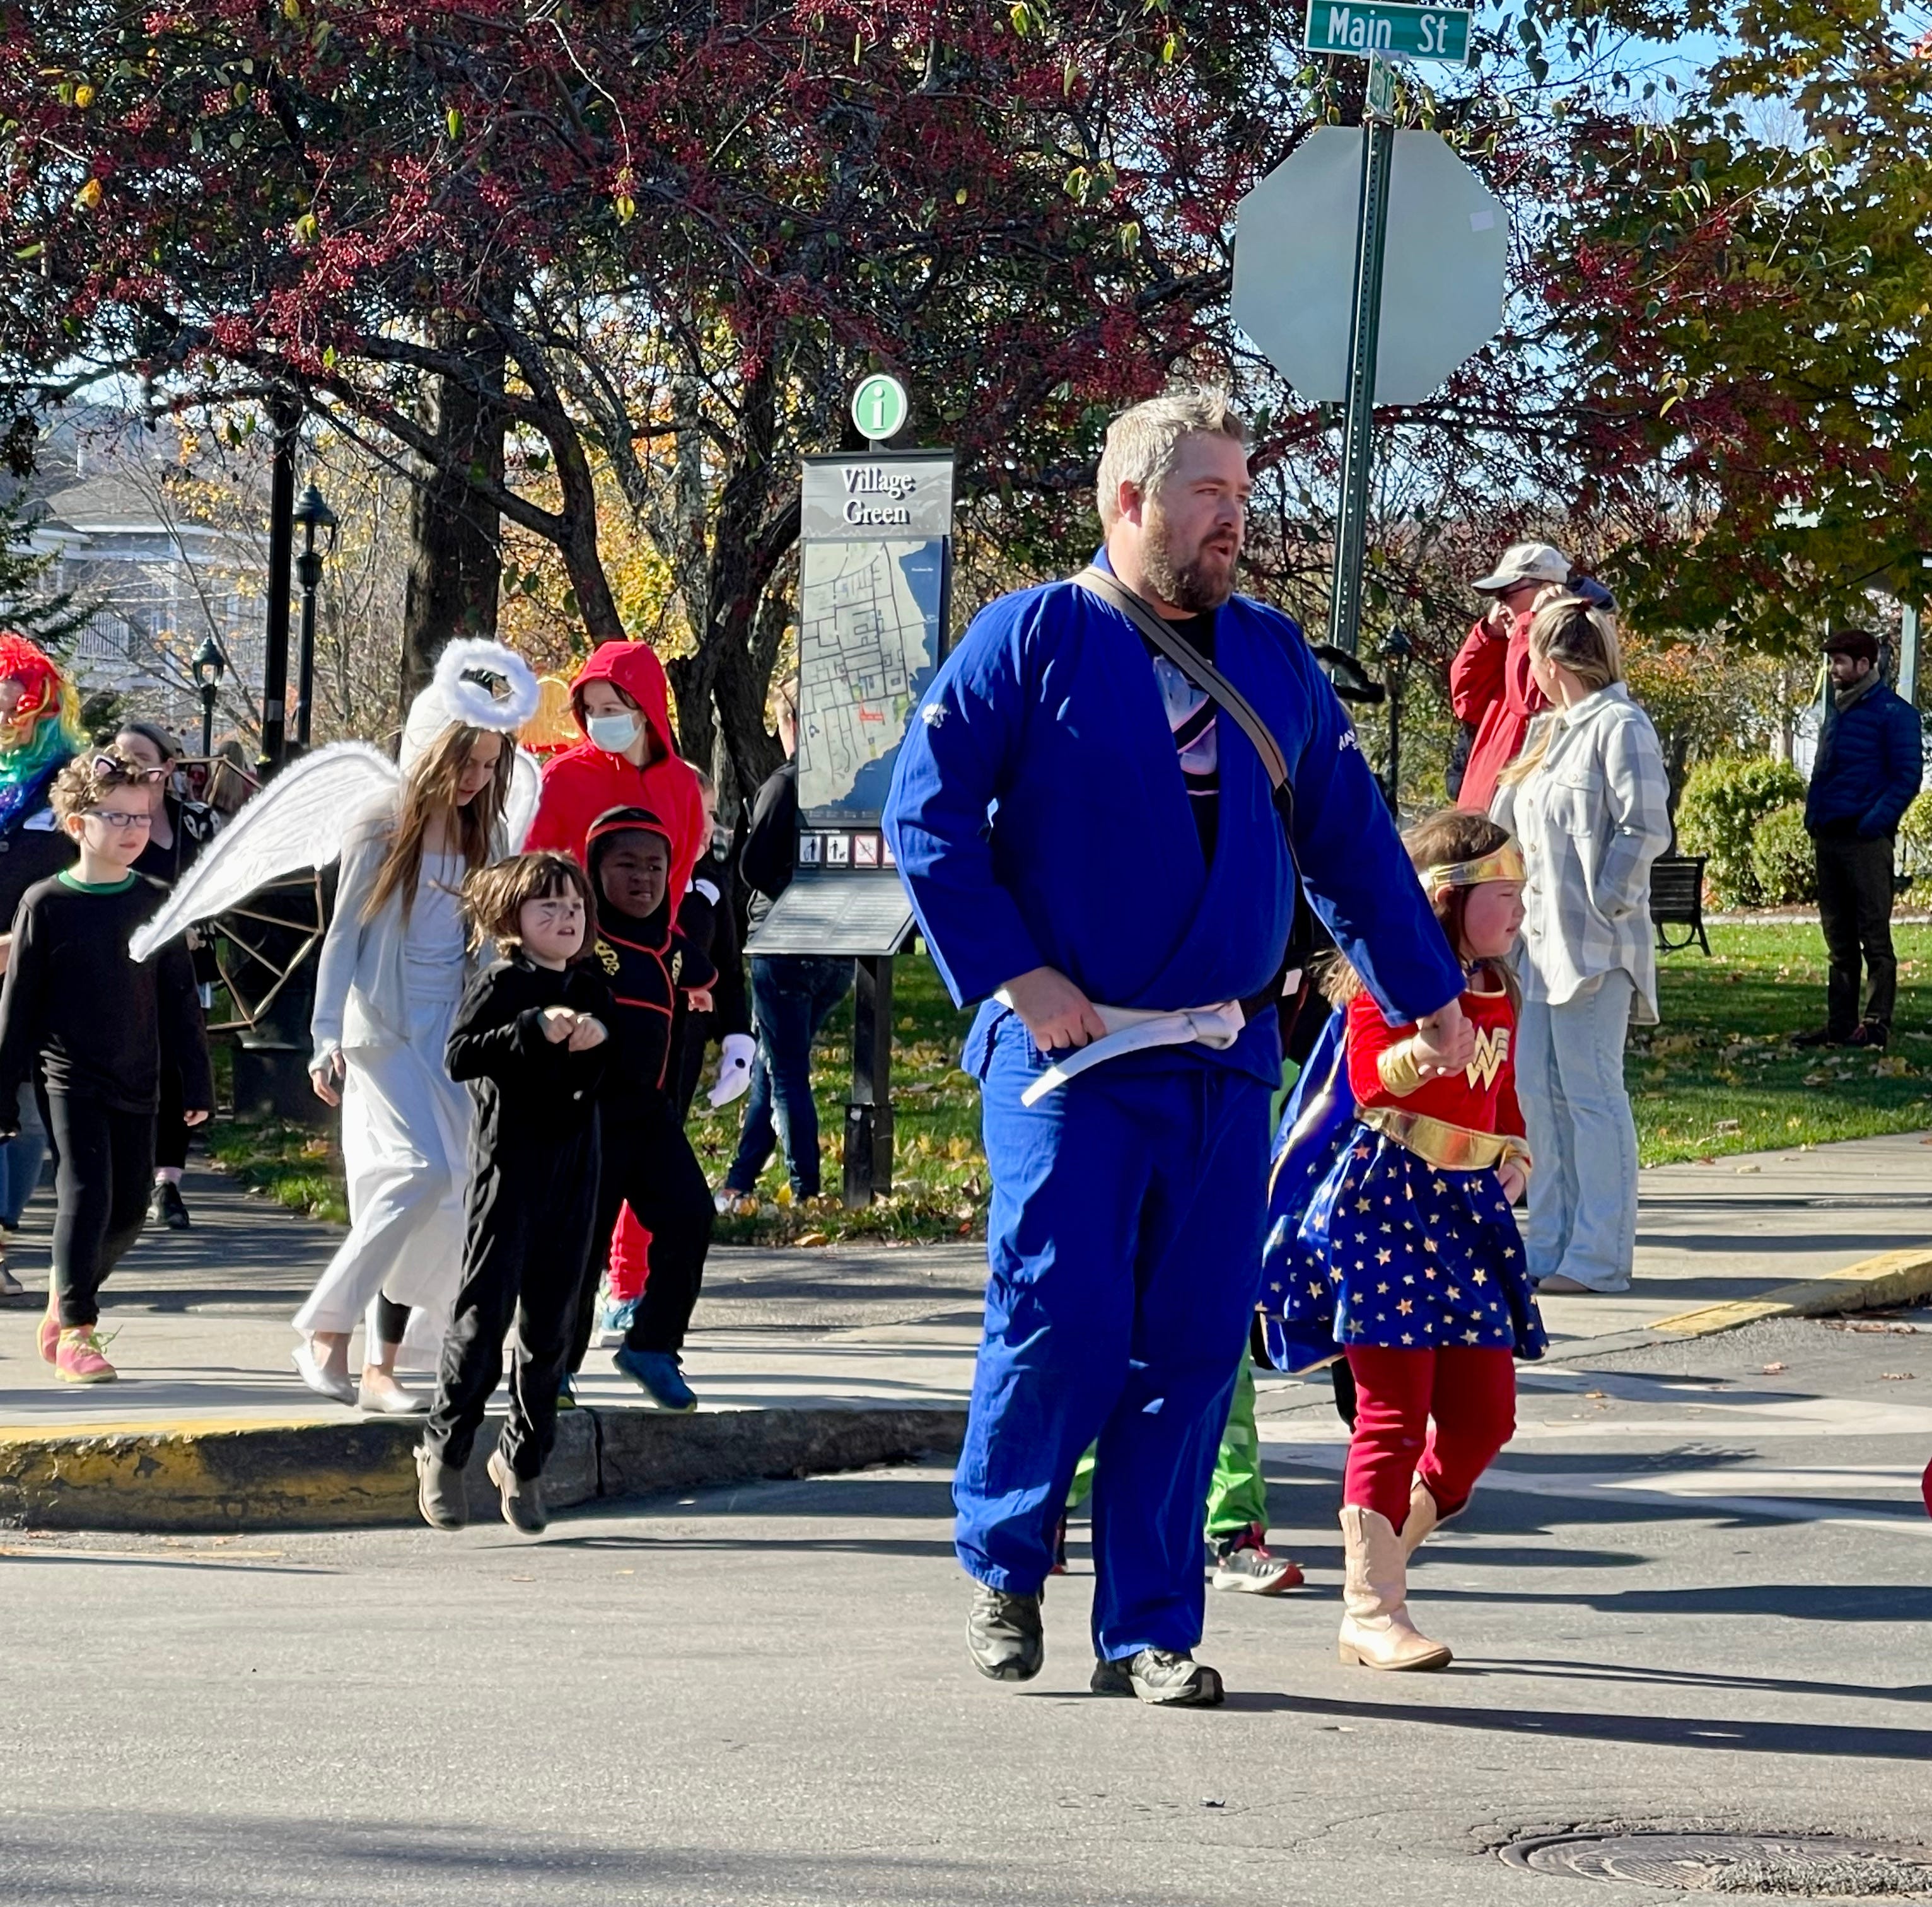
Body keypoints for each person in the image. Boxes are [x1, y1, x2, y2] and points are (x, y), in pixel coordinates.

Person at [883, 387, 1467, 1707]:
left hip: (1219, 1057)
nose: (1232, 520)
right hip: (1066, 1061)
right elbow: (926, 817)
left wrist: (1423, 989)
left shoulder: (1269, 653)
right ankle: (1006, 1560)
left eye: (1240, 497)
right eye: (1208, 493)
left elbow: (1349, 841)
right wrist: (1019, 975)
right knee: (1062, 1316)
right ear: (1128, 500)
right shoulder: (1029, 635)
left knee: (1195, 1343)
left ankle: (1147, 1627)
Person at [1262, 809, 1542, 1671]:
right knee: (1390, 1412)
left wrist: (1516, 1154)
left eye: (1521, 895)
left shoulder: (1499, 988)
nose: (1518, 911)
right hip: (1383, 1207)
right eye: (1504, 894)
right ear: (1445, 898)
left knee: (1484, 1418)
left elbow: (1501, 1096)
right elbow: (1364, 1082)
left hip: (1467, 1216)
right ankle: (1373, 1606)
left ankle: (1387, 1551)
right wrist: (1425, 1048)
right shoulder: (1389, 982)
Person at [291, 641, 535, 1413]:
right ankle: (326, 1329)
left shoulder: (486, 834)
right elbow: (343, 939)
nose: (477, 779)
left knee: (455, 1191)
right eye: (466, 762)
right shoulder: (379, 823)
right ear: (430, 748)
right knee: (414, 1173)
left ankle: (381, 1367)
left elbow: (490, 947)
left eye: (490, 765)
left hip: (453, 1035)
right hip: (383, 1029)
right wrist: (324, 1036)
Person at [0, 748, 212, 1383]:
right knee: (85, 1192)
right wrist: (3, 1093)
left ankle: (66, 1294)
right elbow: (18, 1006)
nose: (132, 829)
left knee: (126, 1211)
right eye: (115, 817)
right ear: (76, 825)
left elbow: (181, 1001)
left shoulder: (156, 902)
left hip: (138, 1075)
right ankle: (77, 1331)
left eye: (140, 817)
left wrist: (196, 1081)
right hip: (68, 1075)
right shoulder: (46, 903)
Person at [416, 851, 611, 1536]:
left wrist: (598, 1038)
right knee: (484, 1318)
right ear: (512, 918)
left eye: (575, 907)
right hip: (509, 1169)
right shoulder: (501, 981)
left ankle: (523, 1461)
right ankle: (444, 1449)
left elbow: (617, 1070)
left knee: (552, 1328)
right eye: (547, 907)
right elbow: (460, 1055)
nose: (565, 918)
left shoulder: (591, 984)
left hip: (576, 1171)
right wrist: (530, 1028)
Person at [523, 639, 707, 1345]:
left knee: (660, 1157)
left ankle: (634, 1297)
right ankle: (554, 1349)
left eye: (613, 706)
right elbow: (535, 870)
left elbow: (676, 886)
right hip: (579, 979)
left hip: (653, 989)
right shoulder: (565, 777)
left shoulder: (681, 787)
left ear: (647, 708)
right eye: (591, 708)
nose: (600, 720)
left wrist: (680, 968)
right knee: (583, 1184)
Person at [1489, 595, 1671, 1297]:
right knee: (1538, 1093)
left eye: (1530, 655)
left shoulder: (1620, 726)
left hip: (1595, 951)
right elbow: (1509, 830)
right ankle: (1550, 1246)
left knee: (1591, 1095)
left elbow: (1645, 828)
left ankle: (1599, 1257)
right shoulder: (1549, 731)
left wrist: (1604, 905)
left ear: (1551, 660)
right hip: (1536, 950)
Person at [570, 807, 718, 1411]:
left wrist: (724, 1017)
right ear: (595, 870)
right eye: (626, 865)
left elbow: (712, 975)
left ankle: (653, 1346)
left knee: (692, 1216)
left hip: (651, 1116)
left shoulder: (673, 946)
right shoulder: (581, 938)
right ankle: (551, 1369)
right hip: (589, 1117)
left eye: (655, 866)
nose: (643, 878)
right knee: (581, 1247)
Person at [718, 686, 853, 1213]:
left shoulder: (786, 783)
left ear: (791, 723)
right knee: (772, 1065)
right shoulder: (851, 785)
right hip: (839, 945)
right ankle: (740, 1179)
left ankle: (806, 1190)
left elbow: (754, 866)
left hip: (785, 941)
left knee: (787, 1072)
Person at [0, 632, 83, 1299]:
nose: (6, 716)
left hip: (31, 966)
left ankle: (2, 1235)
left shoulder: (66, 786)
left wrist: (19, 941)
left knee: (25, 1117)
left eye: (14, 702)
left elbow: (82, 876)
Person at [115, 720, 222, 1230]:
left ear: (168, 767)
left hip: (185, 956)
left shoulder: (196, 821)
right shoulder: (110, 815)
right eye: (121, 757)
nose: (129, 767)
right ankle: (128, 1169)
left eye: (141, 758)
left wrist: (200, 923)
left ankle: (168, 1182)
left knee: (179, 1065)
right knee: (129, 1060)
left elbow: (224, 883)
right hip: (124, 960)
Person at [1796, 629, 1923, 1051]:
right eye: (1832, 661)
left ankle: (1876, 1023)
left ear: (1864, 665)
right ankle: (1840, 1024)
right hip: (1829, 836)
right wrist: (1814, 817)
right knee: (1839, 939)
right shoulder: (1839, 713)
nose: (1833, 669)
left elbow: (1906, 778)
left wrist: (1873, 824)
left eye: (1840, 662)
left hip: (1865, 840)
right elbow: (1824, 771)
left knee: (1875, 936)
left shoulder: (1895, 714)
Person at [1446, 541, 1574, 814]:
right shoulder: (1510, 652)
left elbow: (1530, 701)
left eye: (1507, 595)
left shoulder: (1564, 652)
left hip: (1513, 828)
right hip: (1480, 821)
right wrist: (1489, 634)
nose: (1500, 608)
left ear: (1546, 590)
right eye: (1497, 599)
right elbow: (1467, 699)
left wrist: (1534, 624)